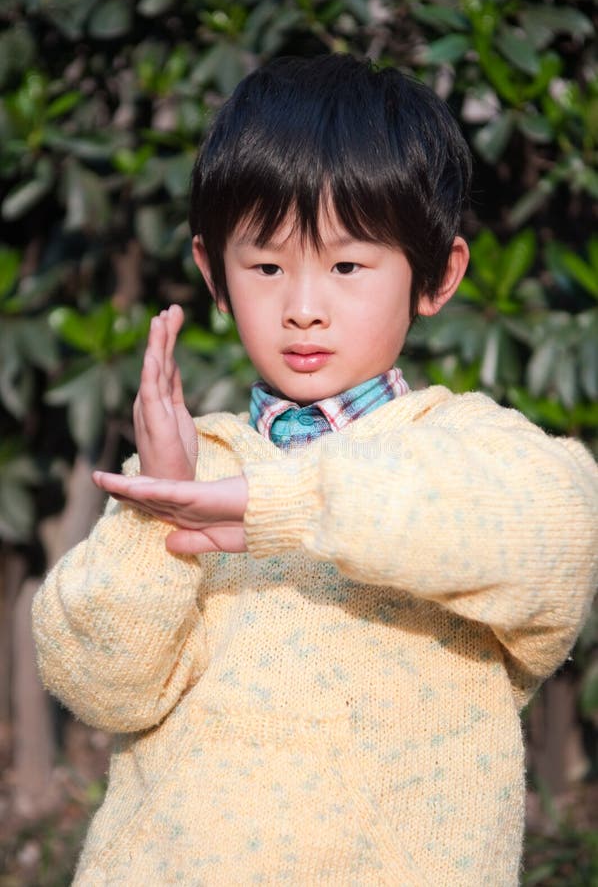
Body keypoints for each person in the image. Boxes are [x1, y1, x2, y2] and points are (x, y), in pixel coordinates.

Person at [33, 55, 597, 886]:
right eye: (266, 267)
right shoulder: (195, 465)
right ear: (212, 274)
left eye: (346, 266)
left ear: (439, 275)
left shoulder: (470, 449)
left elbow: (560, 539)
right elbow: (105, 686)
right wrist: (157, 516)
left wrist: (286, 505)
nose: (303, 305)